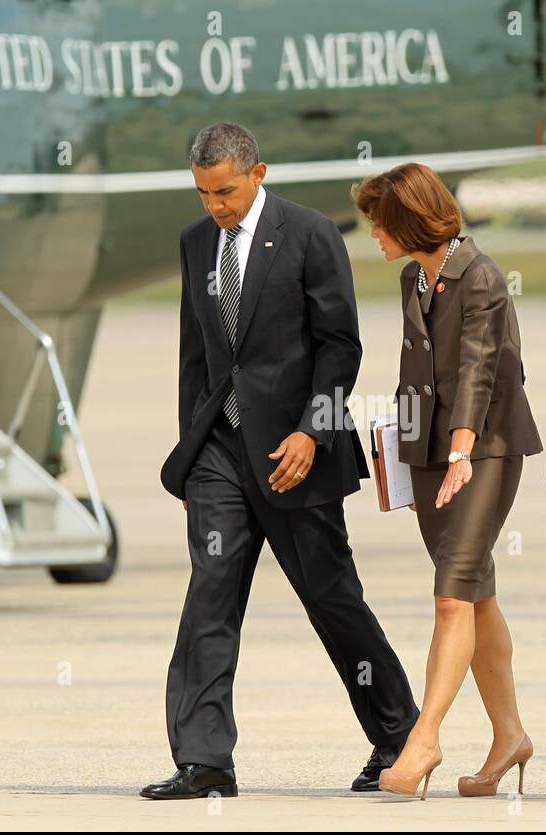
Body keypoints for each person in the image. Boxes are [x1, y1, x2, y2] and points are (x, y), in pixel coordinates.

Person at [145, 123, 419, 800]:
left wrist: (312, 433)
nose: (216, 206)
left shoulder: (309, 233)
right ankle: (205, 762)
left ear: (258, 173)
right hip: (219, 452)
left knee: (332, 599)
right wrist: (190, 451)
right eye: (205, 193)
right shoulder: (195, 242)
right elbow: (197, 359)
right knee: (209, 595)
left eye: (227, 191)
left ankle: (400, 736)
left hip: (296, 452)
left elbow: (340, 347)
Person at [351, 163, 542, 800]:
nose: (372, 233)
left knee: (451, 593)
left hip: (482, 450)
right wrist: (395, 447)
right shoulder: (415, 276)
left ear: (407, 219)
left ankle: (424, 738)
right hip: (428, 453)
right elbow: (419, 372)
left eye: (379, 221)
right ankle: (509, 734)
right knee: (476, 592)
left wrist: (460, 452)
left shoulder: (480, 275)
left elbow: (481, 370)